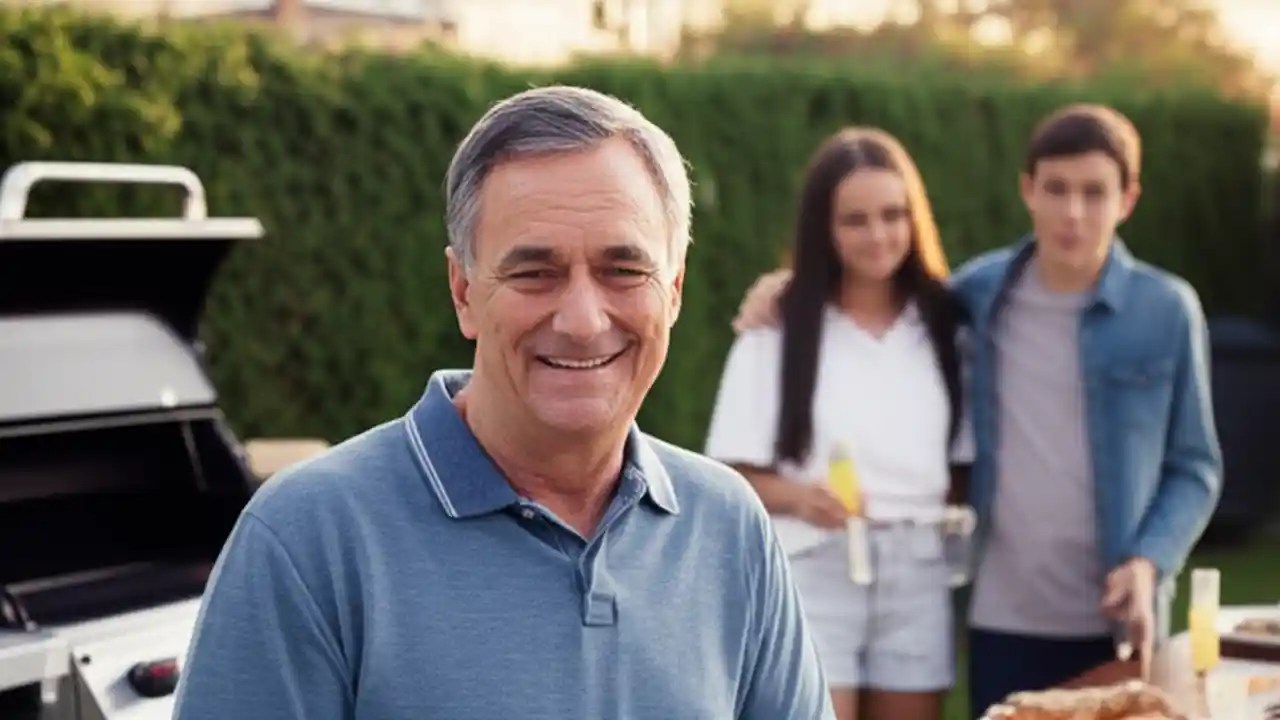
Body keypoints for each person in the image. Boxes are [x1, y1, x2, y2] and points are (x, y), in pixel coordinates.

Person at [172, 85, 835, 720]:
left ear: (676, 291)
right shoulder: (309, 537)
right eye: (534, 272)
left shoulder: (727, 528)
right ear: (463, 290)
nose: (581, 318)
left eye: (623, 269)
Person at [730, 104, 1223, 718]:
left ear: (1127, 199)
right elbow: (873, 289)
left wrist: (1150, 561)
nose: (1074, 213)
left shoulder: (1167, 310)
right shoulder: (978, 298)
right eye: (1057, 189)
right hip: (1003, 618)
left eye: (1095, 193)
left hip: (1118, 614)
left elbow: (1195, 466)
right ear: (1027, 191)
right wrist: (785, 288)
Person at [703, 127, 974, 720]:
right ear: (823, 227)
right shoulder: (775, 330)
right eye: (855, 220)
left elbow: (961, 468)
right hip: (814, 564)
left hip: (919, 566)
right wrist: (800, 497)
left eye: (892, 214)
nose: (878, 235)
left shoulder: (948, 328)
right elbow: (726, 476)